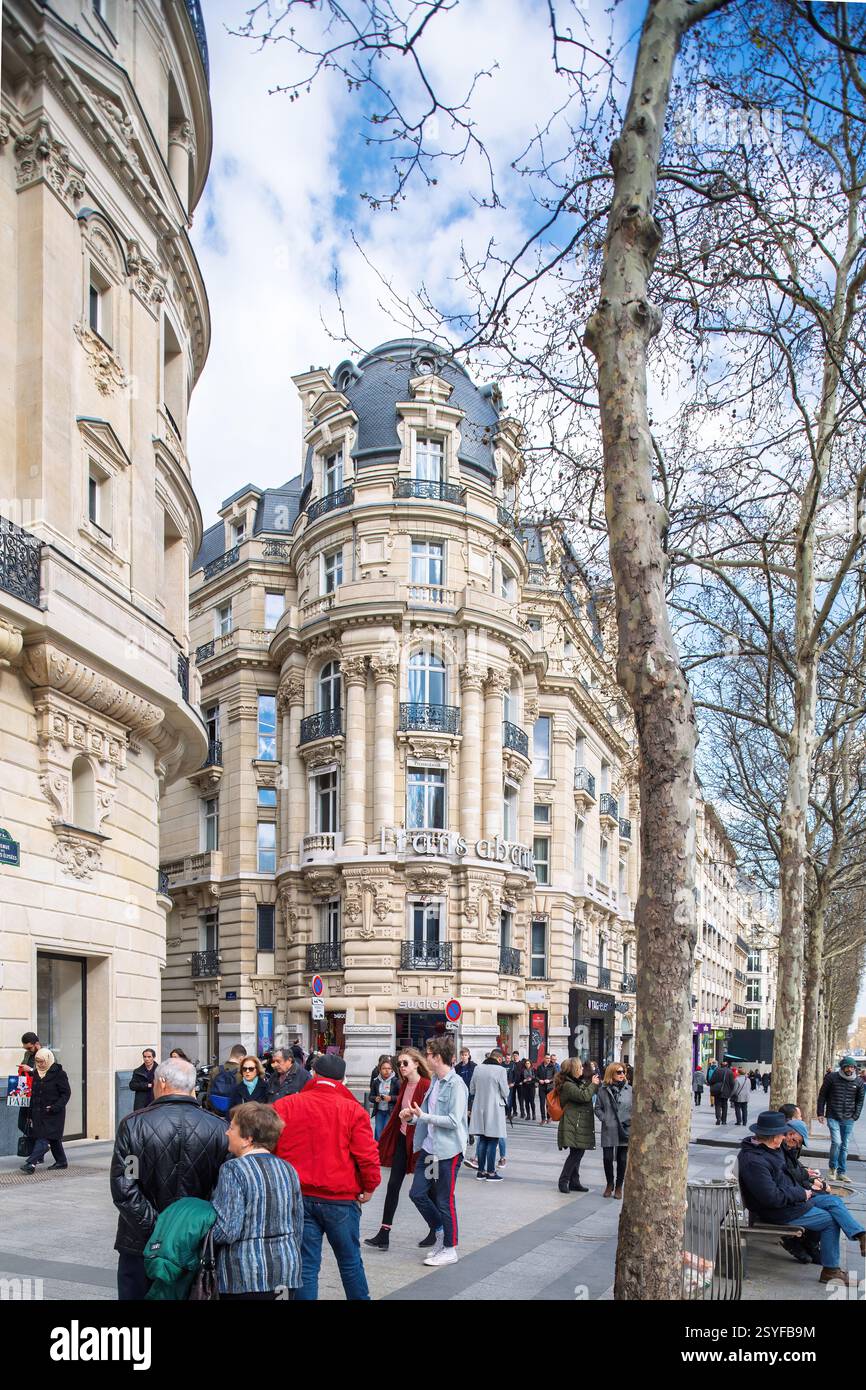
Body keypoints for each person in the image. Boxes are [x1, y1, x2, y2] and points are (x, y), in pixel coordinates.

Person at [111, 1057, 228, 1299]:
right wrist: (182, 1230)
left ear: (162, 1082)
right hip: (193, 1241)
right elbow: (222, 1191)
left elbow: (126, 1187)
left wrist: (159, 1229)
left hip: (142, 1242)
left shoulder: (133, 1124)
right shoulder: (219, 1127)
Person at [273, 1053, 380, 1301]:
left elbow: (273, 1146)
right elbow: (366, 1155)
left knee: (306, 1264)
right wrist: (370, 1185)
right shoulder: (353, 1110)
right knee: (350, 1261)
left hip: (299, 1195)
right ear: (343, 1079)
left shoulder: (287, 1105)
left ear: (314, 1074)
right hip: (340, 1197)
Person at [737, 1111, 865, 1284]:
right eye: (782, 1134)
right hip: (778, 1211)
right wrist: (801, 1193)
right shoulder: (755, 1161)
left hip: (792, 1200)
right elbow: (771, 1198)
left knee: (834, 1201)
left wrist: (808, 1186)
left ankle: (861, 1235)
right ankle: (830, 1271)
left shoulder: (770, 1149)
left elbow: (791, 1172)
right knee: (830, 1220)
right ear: (774, 1137)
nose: (784, 1137)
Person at [210, 1102, 303, 1300]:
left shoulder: (233, 1169)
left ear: (248, 1138)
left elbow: (227, 1231)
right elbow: (297, 1224)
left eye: (232, 1128)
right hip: (285, 1271)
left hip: (245, 1275)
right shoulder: (288, 1169)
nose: (227, 1132)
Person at [405, 1034, 469, 1266]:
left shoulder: (456, 1084)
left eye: (429, 1054)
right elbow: (427, 1116)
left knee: (444, 1199)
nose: (426, 1057)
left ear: (438, 1057)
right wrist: (412, 1118)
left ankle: (450, 1248)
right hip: (430, 1149)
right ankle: (440, 1232)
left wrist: (423, 1116)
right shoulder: (435, 1081)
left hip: (448, 1152)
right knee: (418, 1193)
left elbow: (453, 1121)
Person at [365, 1047, 431, 1250]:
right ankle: (384, 1233)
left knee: (431, 1189)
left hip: (423, 1144)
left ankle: (436, 1229)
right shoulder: (404, 1085)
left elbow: (430, 1117)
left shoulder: (426, 1085)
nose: (401, 1067)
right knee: (393, 1185)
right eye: (399, 1064)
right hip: (403, 1139)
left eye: (405, 1063)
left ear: (416, 1064)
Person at [778, 1119, 823, 1266]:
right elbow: (790, 1178)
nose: (798, 1145)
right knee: (823, 1212)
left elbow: (795, 1172)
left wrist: (810, 1183)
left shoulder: (788, 1149)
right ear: (790, 1134)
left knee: (825, 1200)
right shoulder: (778, 1151)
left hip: (790, 1193)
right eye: (797, 1142)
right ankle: (806, 1243)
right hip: (783, 1203)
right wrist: (806, 1191)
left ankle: (810, 1244)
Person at [19, 1048, 71, 1174]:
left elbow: (66, 1093)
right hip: (38, 1113)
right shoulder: (37, 1073)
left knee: (43, 1138)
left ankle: (31, 1163)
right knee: (53, 1139)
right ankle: (61, 1161)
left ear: (48, 1060)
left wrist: (55, 1107)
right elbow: (34, 1094)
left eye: (42, 1061)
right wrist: (29, 1113)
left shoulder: (59, 1074)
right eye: (37, 1061)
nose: (40, 1064)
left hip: (53, 1113)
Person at [817, 1055, 864, 1184]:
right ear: (842, 1067)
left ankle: (841, 1173)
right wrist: (820, 1113)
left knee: (844, 1146)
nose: (850, 1069)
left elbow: (860, 1101)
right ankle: (832, 1169)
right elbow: (822, 1096)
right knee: (837, 1142)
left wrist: (855, 1116)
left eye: (852, 1067)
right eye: (848, 1067)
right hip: (833, 1116)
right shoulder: (831, 1078)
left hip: (849, 1118)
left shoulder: (859, 1081)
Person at [553, 1058, 597, 1193]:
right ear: (574, 1069)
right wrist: (593, 1084)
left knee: (577, 1152)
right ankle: (563, 1180)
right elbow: (583, 1096)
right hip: (573, 1123)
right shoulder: (568, 1085)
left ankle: (574, 1181)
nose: (582, 1069)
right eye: (580, 1067)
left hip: (576, 1122)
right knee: (576, 1153)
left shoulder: (574, 1082)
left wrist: (589, 1082)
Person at [468, 1048, 509, 1181]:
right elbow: (505, 1092)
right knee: (493, 1139)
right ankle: (491, 1172)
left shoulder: (478, 1068)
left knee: (482, 1139)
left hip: (479, 1108)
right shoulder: (501, 1070)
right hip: (495, 1109)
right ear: (499, 1059)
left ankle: (481, 1171)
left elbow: (472, 1089)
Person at [594, 1062, 631, 1198]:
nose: (622, 1074)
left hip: (624, 1128)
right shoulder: (603, 1090)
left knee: (622, 1159)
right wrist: (605, 1118)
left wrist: (630, 1120)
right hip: (609, 1128)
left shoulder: (630, 1090)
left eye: (623, 1072)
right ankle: (610, 1184)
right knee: (607, 1158)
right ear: (611, 1073)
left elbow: (635, 1108)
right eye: (619, 1072)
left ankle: (619, 1186)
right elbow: (597, 1108)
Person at [207, 1044, 247, 1115]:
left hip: (215, 1112)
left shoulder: (215, 1070)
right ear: (241, 1058)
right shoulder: (242, 1073)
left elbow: (209, 1093)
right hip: (234, 1113)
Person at [369, 1057, 400, 1141]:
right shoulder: (376, 1081)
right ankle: (378, 1148)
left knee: (386, 1133)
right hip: (379, 1111)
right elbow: (370, 1097)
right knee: (378, 1132)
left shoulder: (396, 1081)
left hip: (390, 1111)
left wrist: (391, 1098)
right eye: (384, 1068)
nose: (387, 1071)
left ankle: (386, 1148)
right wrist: (375, 1098)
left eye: (389, 1068)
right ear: (380, 1070)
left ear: (392, 1070)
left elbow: (401, 1097)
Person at [710, 1060, 735, 1125]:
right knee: (724, 1106)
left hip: (717, 1091)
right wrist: (731, 1091)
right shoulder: (730, 1072)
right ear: (727, 1065)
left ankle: (718, 1118)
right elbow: (732, 1083)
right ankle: (724, 1120)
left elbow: (711, 1080)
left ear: (721, 1065)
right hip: (726, 1091)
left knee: (717, 1105)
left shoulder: (717, 1070)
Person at [536, 1054, 556, 1125]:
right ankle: (543, 1119)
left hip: (549, 1087)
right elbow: (536, 1076)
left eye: (549, 1058)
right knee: (542, 1103)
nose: (548, 1059)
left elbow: (555, 1076)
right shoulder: (539, 1067)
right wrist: (539, 1080)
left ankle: (549, 1117)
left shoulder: (552, 1067)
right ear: (544, 1058)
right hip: (542, 1087)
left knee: (548, 1104)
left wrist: (549, 1080)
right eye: (547, 1058)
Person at [506, 1050, 522, 1119]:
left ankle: (522, 1112)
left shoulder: (521, 1063)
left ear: (518, 1056)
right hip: (512, 1084)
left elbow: (522, 1073)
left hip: (519, 1083)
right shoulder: (512, 1063)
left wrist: (522, 1081)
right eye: (514, 1056)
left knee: (520, 1098)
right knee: (512, 1098)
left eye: (516, 1056)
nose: (515, 1057)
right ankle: (514, 1112)